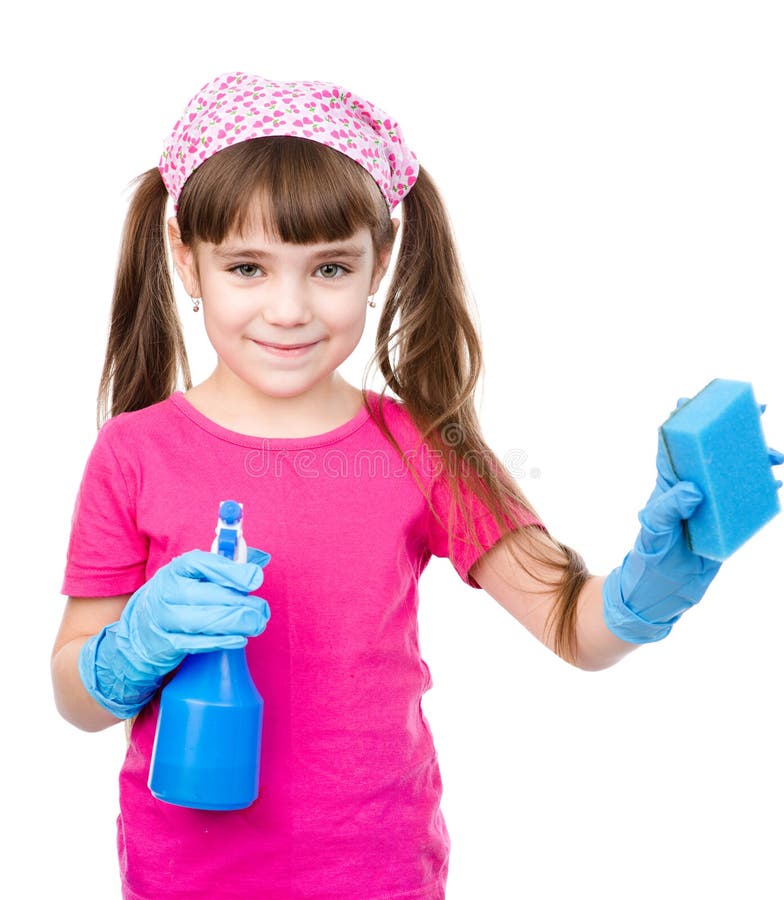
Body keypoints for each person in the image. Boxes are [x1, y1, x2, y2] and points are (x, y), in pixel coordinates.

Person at [50, 72, 781, 900]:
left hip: (379, 875)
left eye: (329, 268)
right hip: (183, 878)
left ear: (381, 260)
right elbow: (77, 699)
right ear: (186, 257)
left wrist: (649, 589)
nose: (288, 309)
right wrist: (131, 646)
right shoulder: (134, 452)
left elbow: (573, 627)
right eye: (247, 267)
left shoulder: (422, 446)